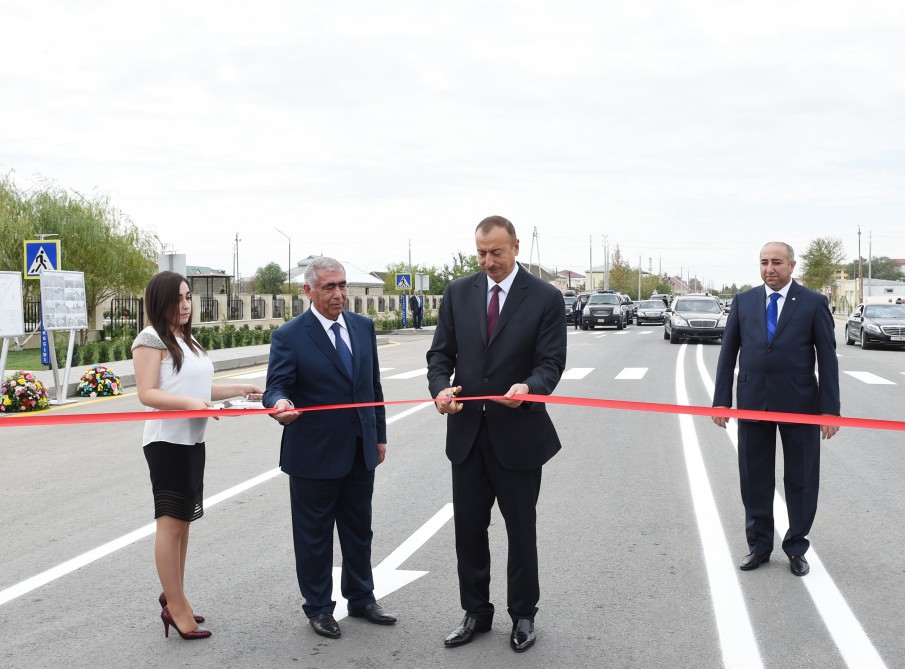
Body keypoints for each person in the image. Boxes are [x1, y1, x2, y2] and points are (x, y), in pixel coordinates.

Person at [426, 215, 567, 653]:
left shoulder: (545, 297)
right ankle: (475, 613)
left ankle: (523, 615)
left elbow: (550, 362)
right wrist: (440, 390)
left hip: (518, 434)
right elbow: (439, 355)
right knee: (468, 529)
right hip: (467, 434)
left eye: (497, 253)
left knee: (521, 530)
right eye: (482, 253)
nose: (489, 261)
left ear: (516, 247)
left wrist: (530, 389)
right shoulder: (458, 292)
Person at [264, 256, 396, 640]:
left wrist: (379, 435)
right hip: (313, 455)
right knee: (314, 536)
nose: (339, 294)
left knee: (359, 531)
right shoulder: (289, 336)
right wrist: (280, 406)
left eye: (342, 286)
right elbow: (277, 386)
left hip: (360, 448)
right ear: (308, 291)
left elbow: (372, 388)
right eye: (329, 287)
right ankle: (319, 608)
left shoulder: (362, 326)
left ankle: (361, 597)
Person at [133, 271, 263, 640]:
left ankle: (177, 597)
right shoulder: (150, 339)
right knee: (170, 524)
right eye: (178, 298)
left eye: (188, 297)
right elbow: (147, 394)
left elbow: (199, 387)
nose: (186, 304)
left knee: (183, 523)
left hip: (192, 440)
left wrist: (243, 388)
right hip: (166, 442)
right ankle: (175, 607)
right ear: (160, 302)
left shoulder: (185, 341)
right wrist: (192, 403)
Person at [712, 242, 840, 577]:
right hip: (753, 403)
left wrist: (830, 410)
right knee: (754, 479)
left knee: (801, 478)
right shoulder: (743, 302)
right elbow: (727, 355)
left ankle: (796, 546)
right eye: (765, 262)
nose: (770, 268)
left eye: (777, 262)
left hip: (800, 406)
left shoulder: (813, 303)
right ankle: (759, 546)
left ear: (792, 265)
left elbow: (827, 360)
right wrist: (721, 401)